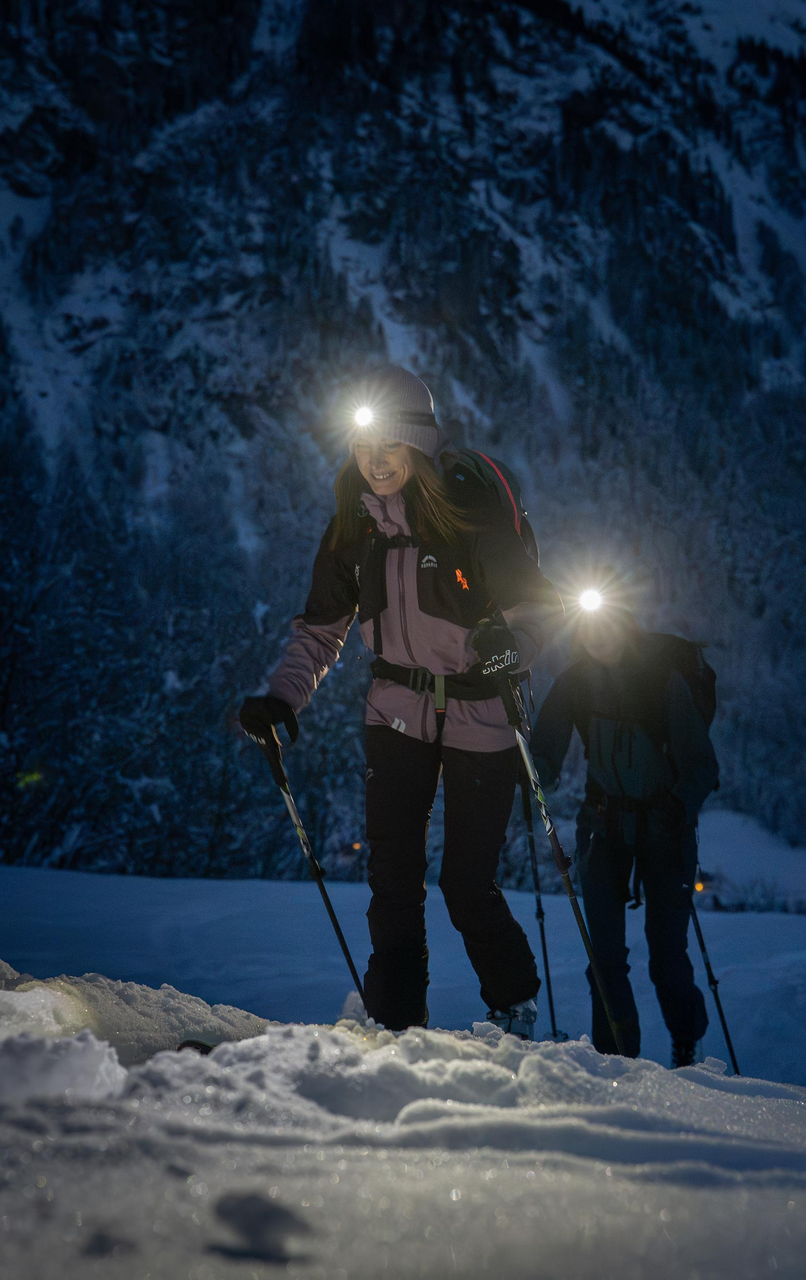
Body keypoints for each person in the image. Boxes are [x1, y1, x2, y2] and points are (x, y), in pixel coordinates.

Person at [237, 366, 559, 1037]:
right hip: (395, 711)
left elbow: (538, 607)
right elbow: (322, 630)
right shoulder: (354, 526)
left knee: (467, 883)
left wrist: (514, 644)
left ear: (417, 445)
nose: (375, 461)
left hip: (481, 712)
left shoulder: (470, 513)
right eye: (363, 447)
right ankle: (396, 1023)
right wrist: (281, 699)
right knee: (393, 883)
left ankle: (514, 1006)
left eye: (389, 446)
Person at [530, 601, 719, 1066]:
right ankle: (618, 1062)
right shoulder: (577, 680)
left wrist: (678, 806)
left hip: (662, 827)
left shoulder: (662, 679)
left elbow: (701, 764)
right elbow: (545, 750)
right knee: (606, 960)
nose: (599, 640)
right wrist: (534, 772)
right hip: (605, 826)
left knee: (666, 957)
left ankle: (684, 1045)